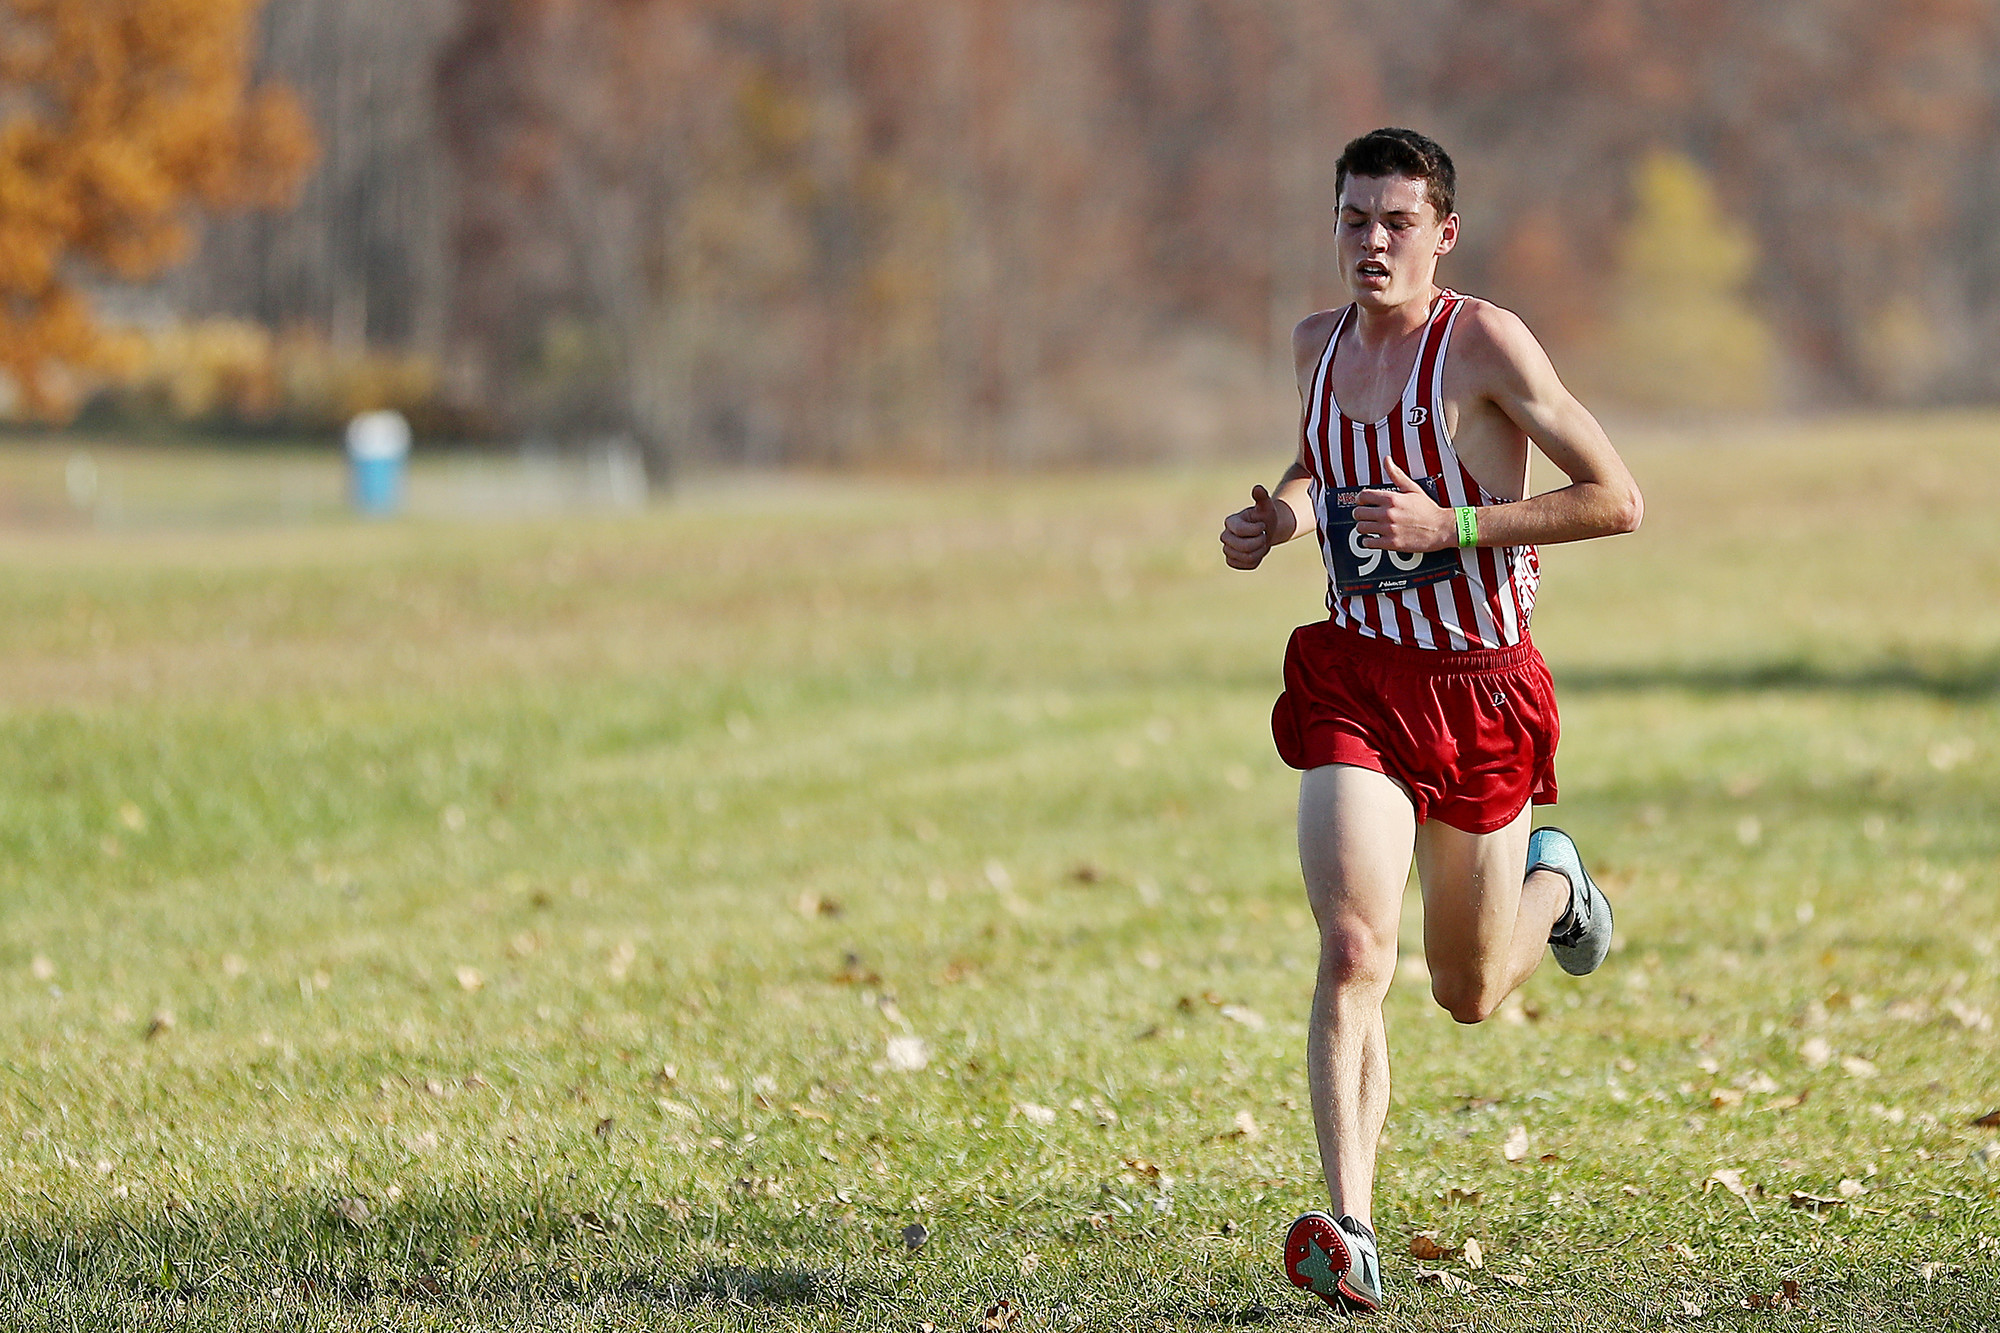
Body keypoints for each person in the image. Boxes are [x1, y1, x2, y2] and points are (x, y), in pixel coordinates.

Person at [1219, 127, 1643, 1313]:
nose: (1370, 241)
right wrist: (1283, 521)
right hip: (1355, 678)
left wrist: (1449, 527)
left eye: (1395, 222)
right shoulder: (1313, 345)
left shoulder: (1485, 345)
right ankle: (1347, 1226)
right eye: (1353, 218)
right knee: (1354, 950)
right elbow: (1315, 460)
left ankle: (1551, 885)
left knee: (1465, 991)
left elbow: (1616, 498)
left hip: (1480, 690)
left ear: (1441, 233)